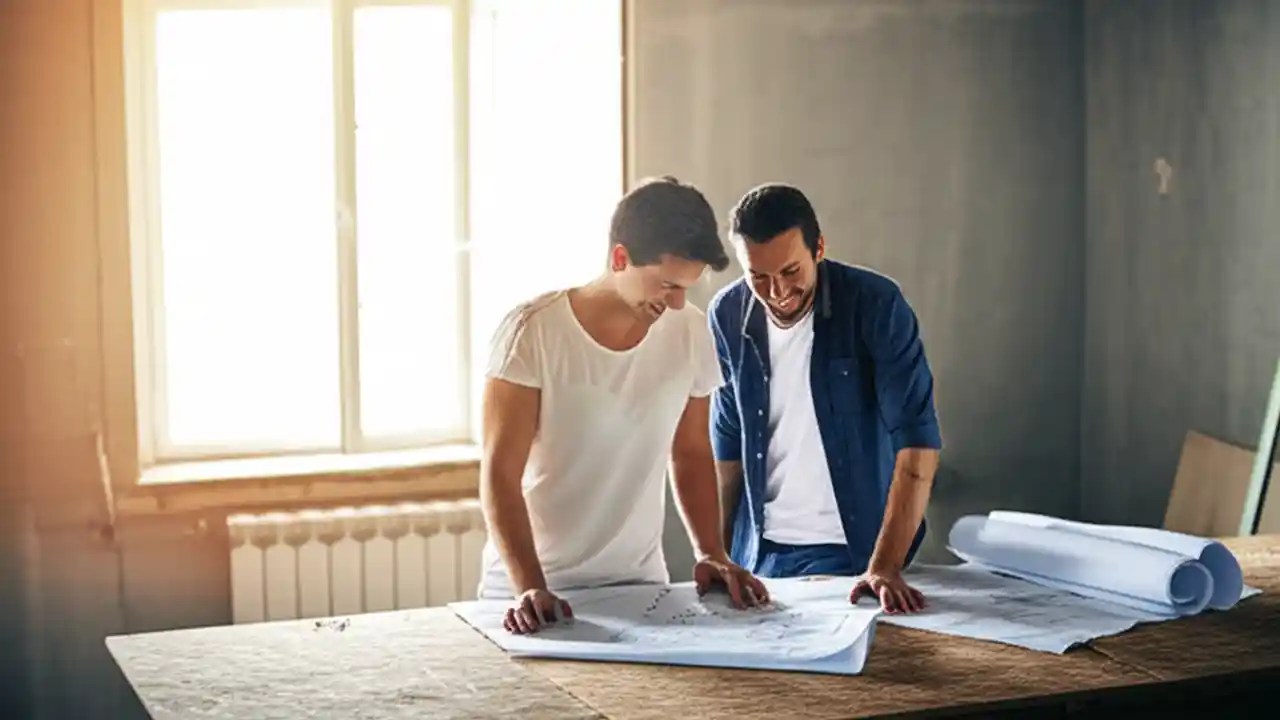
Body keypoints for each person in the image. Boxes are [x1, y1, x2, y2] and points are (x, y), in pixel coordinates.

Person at [479, 176, 770, 634]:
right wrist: (529, 587)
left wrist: (711, 552)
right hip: (533, 591)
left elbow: (691, 452)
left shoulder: (690, 332)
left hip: (638, 586)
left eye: (686, 289)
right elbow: (499, 475)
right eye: (666, 285)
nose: (675, 303)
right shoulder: (532, 332)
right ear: (620, 257)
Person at [709, 183, 943, 615]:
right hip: (759, 555)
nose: (777, 292)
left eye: (791, 272)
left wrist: (885, 567)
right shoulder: (725, 314)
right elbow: (727, 446)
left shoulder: (876, 304)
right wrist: (719, 557)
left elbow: (917, 441)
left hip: (857, 554)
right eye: (758, 276)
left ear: (818, 248)